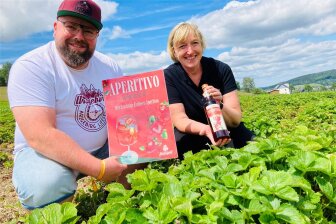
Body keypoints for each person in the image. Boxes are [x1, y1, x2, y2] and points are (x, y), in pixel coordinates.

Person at [7, 0, 140, 210]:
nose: (79, 36)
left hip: (102, 148)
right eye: (71, 26)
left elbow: (126, 112)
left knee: (140, 149)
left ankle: (117, 204)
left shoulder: (109, 66)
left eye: (88, 30)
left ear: (97, 36)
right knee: (46, 183)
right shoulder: (32, 67)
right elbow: (40, 135)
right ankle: (61, 213)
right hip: (46, 155)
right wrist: (100, 169)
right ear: (55, 28)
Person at [164, 22, 254, 158]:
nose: (190, 51)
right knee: (182, 149)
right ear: (174, 51)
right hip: (192, 131)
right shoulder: (169, 76)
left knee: (249, 144)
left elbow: (235, 120)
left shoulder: (221, 69)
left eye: (194, 43)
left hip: (225, 128)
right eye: (182, 46)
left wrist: (219, 105)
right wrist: (205, 130)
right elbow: (180, 119)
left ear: (201, 45)